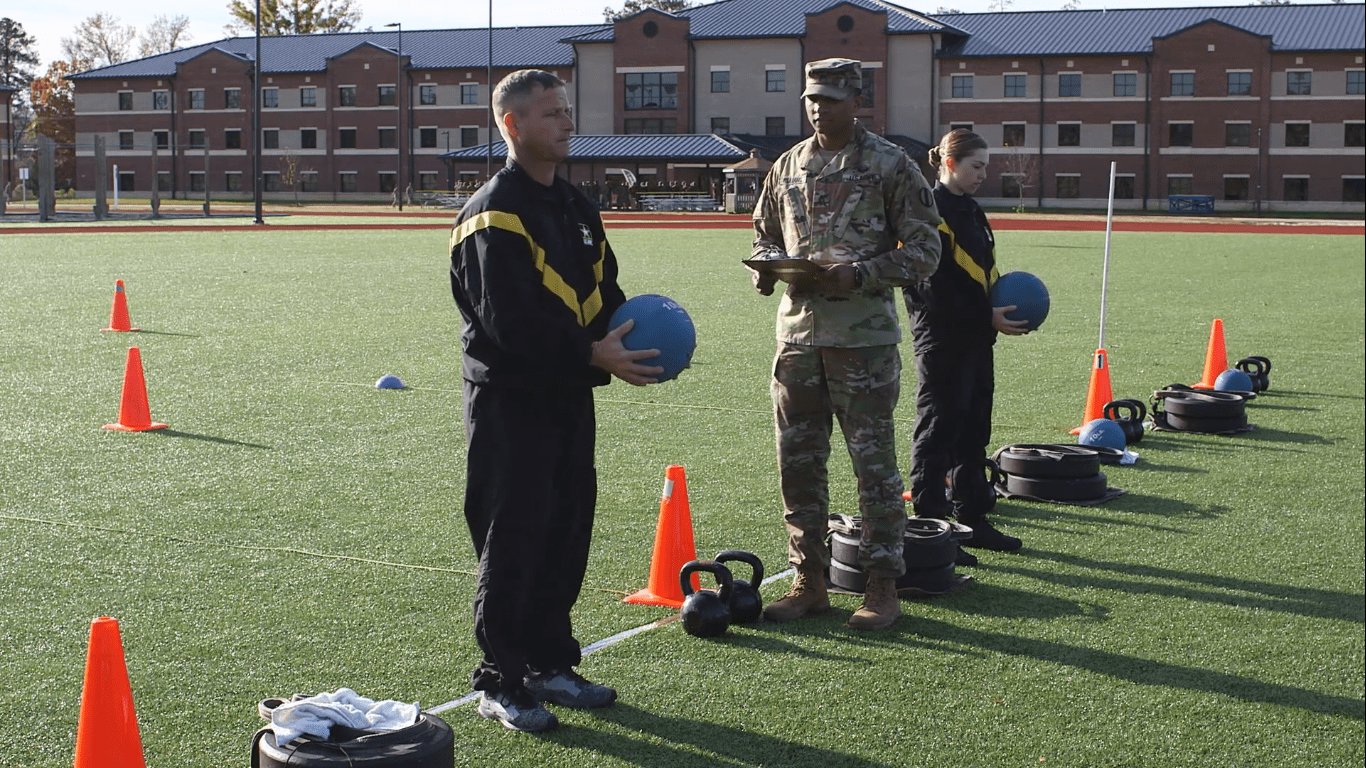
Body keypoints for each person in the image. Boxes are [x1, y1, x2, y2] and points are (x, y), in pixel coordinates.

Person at [448, 69, 663, 732]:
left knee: (566, 530)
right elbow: (509, 323)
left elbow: (603, 293)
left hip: (569, 396)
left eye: (566, 111)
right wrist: (590, 353)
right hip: (512, 402)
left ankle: (549, 662)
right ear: (510, 125)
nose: (566, 123)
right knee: (513, 536)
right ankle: (500, 679)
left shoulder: (575, 206)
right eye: (549, 114)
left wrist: (632, 339)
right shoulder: (492, 214)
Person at [748, 58, 941, 631]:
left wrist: (860, 274)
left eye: (830, 98)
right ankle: (809, 580)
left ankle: (881, 585)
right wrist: (764, 267)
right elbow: (763, 233)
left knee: (874, 466)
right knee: (798, 465)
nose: (818, 108)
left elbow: (926, 250)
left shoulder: (889, 164)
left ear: (857, 99)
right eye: (811, 98)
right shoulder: (786, 166)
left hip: (862, 342)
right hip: (798, 340)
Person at [903, 129, 1030, 563]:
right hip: (940, 337)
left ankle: (972, 518)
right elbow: (930, 288)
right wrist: (985, 315)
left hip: (978, 337)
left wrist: (1002, 309)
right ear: (950, 164)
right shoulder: (926, 211)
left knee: (974, 429)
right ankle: (930, 528)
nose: (983, 175)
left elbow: (983, 274)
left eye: (986, 168)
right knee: (938, 430)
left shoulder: (972, 210)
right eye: (976, 166)